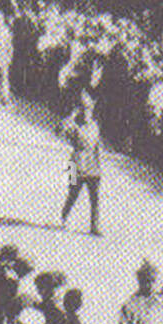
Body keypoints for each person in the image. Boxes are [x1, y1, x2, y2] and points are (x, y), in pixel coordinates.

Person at [60, 90, 101, 236]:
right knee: (73, 194)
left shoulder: (95, 126)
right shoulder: (74, 126)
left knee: (95, 197)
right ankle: (64, 216)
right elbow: (60, 130)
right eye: (83, 110)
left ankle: (94, 226)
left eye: (88, 109)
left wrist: (99, 167)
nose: (86, 113)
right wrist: (72, 115)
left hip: (92, 164)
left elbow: (97, 146)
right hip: (75, 162)